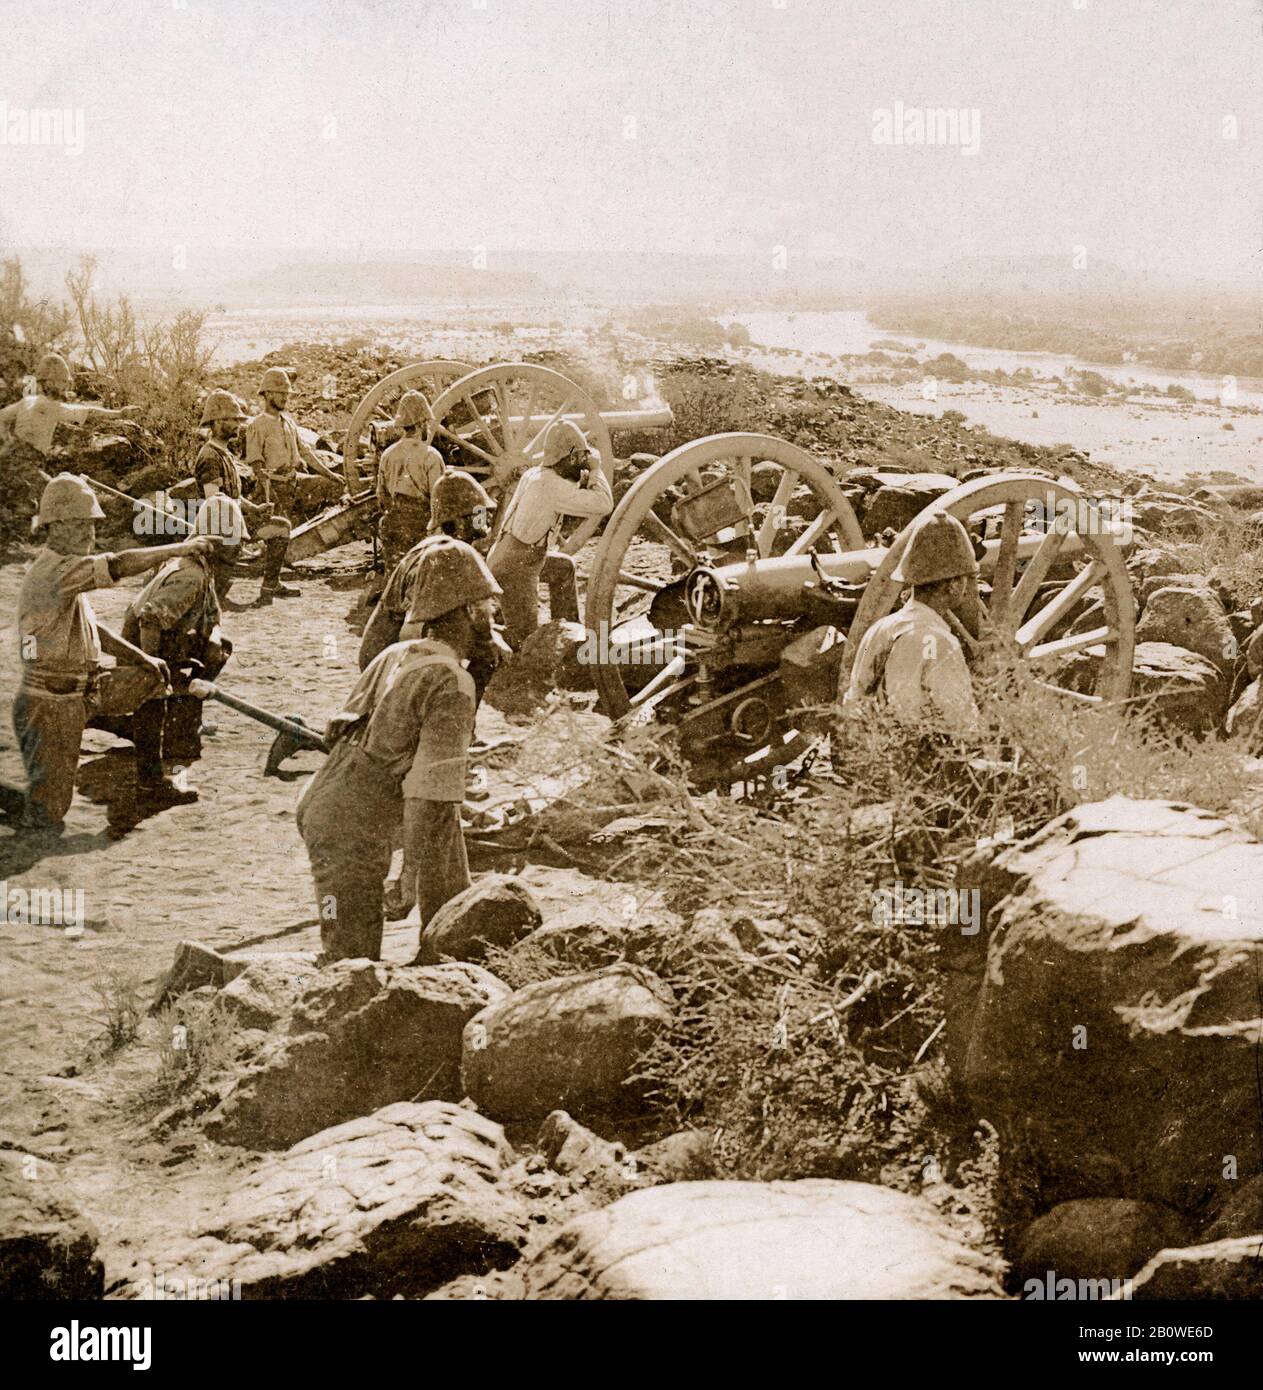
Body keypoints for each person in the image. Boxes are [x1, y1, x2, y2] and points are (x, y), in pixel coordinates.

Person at [297, 537, 503, 963]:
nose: (494, 616)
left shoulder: (394, 654)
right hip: (350, 829)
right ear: (468, 610)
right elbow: (425, 794)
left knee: (444, 822)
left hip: (326, 800)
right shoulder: (451, 684)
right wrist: (409, 876)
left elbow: (343, 735)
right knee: (352, 964)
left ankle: (450, 943)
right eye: (488, 607)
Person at [11, 473, 216, 830]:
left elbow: (95, 630)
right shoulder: (53, 572)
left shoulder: (66, 570)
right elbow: (119, 563)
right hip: (54, 700)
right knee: (48, 814)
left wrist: (143, 659)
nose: (91, 535)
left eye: (91, 526)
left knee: (154, 679)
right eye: (82, 526)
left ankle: (151, 782)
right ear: (56, 526)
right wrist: (180, 548)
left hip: (87, 688)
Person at [111, 495, 242, 769]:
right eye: (235, 542)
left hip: (162, 638)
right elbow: (150, 619)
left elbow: (212, 616)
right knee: (165, 685)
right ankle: (161, 726)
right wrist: (153, 670)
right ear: (215, 544)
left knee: (220, 647)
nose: (240, 549)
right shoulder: (189, 575)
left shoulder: (203, 569)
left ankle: (183, 724)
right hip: (143, 643)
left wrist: (214, 639)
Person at [841, 511, 980, 731]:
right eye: (967, 578)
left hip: (872, 752)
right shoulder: (941, 642)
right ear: (953, 585)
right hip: (920, 757)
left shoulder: (879, 629)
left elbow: (853, 700)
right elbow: (961, 722)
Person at [487, 419, 612, 648]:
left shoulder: (536, 475)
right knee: (523, 640)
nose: (583, 464)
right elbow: (604, 504)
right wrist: (596, 469)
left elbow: (572, 488)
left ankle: (569, 636)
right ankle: (487, 642)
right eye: (580, 459)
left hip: (515, 555)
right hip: (517, 567)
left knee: (564, 568)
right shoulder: (550, 486)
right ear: (572, 458)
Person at [358, 468, 496, 672]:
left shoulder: (431, 547)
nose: (483, 521)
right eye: (478, 514)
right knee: (487, 653)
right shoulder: (454, 551)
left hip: (378, 658)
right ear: (458, 522)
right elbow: (413, 629)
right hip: (393, 660)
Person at [0, 353, 138, 536]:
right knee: (53, 495)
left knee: (29, 500)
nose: (65, 387)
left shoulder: (27, 401)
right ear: (48, 383)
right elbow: (86, 412)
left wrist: (6, 439)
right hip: (25, 462)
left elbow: (2, 416)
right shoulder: (48, 406)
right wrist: (119, 414)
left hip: (14, 457)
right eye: (62, 382)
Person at [244, 366, 342, 604]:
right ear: (267, 395)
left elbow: (306, 454)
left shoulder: (288, 422)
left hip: (294, 482)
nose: (285, 398)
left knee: (332, 489)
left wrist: (330, 475)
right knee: (277, 532)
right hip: (273, 486)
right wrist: (267, 490)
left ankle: (273, 577)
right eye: (281, 394)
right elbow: (256, 463)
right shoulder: (257, 425)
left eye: (287, 394)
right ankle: (269, 583)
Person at [194, 389, 278, 607]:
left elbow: (235, 497)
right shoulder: (210, 457)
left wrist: (255, 509)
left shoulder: (225, 453)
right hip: (219, 527)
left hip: (235, 519)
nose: (237, 425)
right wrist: (239, 534)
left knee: (281, 528)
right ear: (217, 422)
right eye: (232, 420)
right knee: (227, 556)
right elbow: (216, 503)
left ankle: (270, 586)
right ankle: (214, 596)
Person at [376, 390, 444, 573]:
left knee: (395, 577)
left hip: (392, 523)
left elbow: (381, 495)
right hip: (418, 526)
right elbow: (437, 500)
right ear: (422, 423)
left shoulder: (387, 454)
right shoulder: (430, 456)